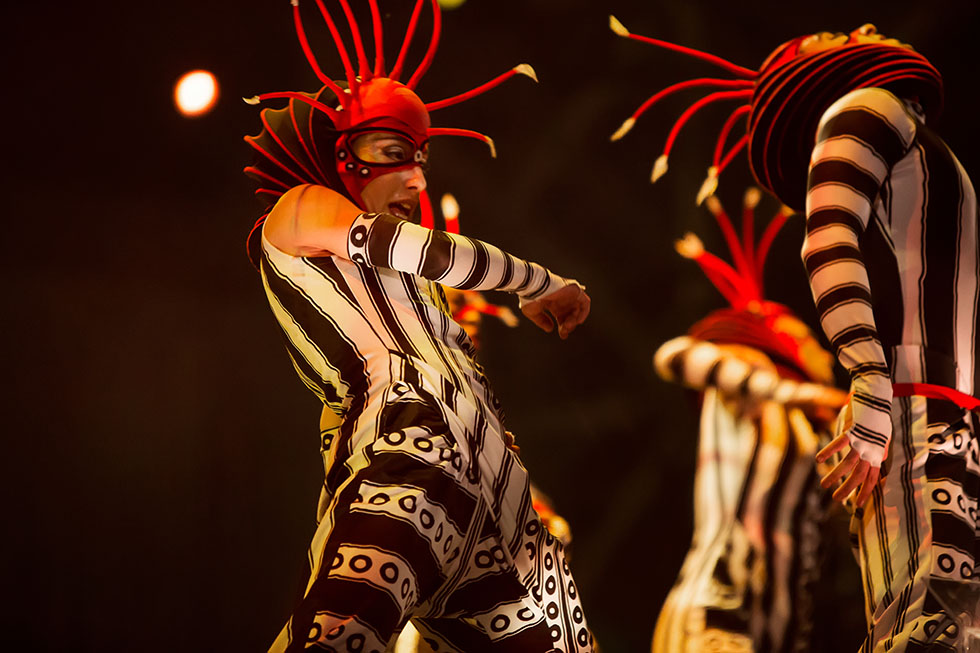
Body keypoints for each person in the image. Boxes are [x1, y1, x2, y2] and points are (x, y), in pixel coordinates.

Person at [611, 18, 979, 651]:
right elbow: (827, 234)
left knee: (945, 618)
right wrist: (860, 377)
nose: (865, 25)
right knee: (938, 625)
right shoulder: (867, 108)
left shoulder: (906, 138)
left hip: (779, 626)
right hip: (725, 612)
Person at [243, 2, 593, 651]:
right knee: (337, 639)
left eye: (421, 156)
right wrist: (538, 281)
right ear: (344, 155)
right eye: (395, 151)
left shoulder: (414, 292)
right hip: (411, 461)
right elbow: (422, 249)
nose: (417, 176)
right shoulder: (301, 211)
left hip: (496, 508)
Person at [650, 190, 848, 653]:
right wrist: (808, 393)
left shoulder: (814, 431)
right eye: (806, 337)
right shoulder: (750, 393)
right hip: (716, 616)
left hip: (776, 634)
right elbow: (673, 356)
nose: (822, 350)